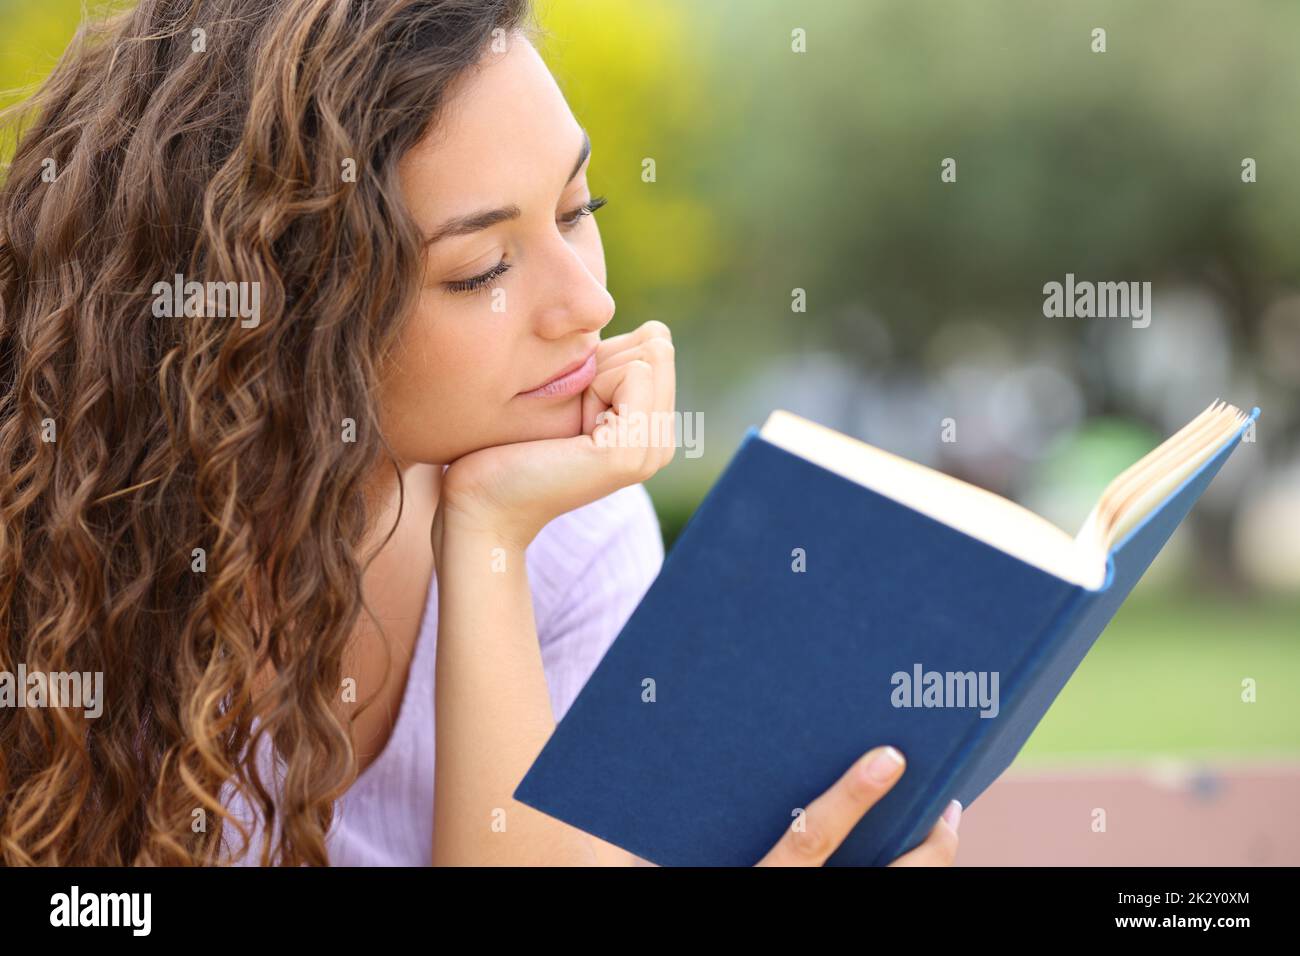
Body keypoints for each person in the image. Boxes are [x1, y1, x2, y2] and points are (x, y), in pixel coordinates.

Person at [0, 0, 960, 866]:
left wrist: (491, 538)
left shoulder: (575, 542)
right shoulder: (56, 560)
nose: (592, 301)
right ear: (277, 315)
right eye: (483, 268)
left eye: (579, 211)